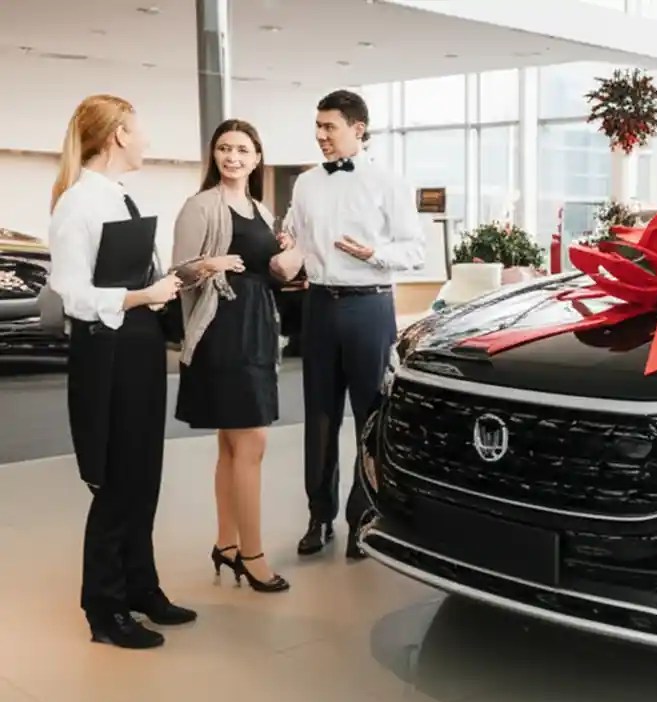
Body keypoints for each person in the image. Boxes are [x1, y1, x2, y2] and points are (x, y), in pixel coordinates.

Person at [47, 94, 197, 649]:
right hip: (106, 352)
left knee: (144, 475)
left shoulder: (124, 197)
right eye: (141, 128)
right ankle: (104, 608)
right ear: (117, 135)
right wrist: (142, 295)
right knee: (116, 483)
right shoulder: (78, 203)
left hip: (138, 346)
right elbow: (73, 294)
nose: (148, 138)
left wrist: (162, 291)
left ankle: (141, 586)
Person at [282, 89, 426, 559]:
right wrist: (285, 244)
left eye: (330, 127)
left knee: (371, 417)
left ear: (358, 129)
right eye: (318, 126)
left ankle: (365, 514)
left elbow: (414, 250)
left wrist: (374, 254)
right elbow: (295, 238)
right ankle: (318, 516)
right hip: (320, 306)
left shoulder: (389, 183)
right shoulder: (305, 184)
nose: (321, 135)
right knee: (319, 416)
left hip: (370, 307)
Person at [172, 118, 291, 593]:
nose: (232, 157)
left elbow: (271, 272)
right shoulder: (200, 206)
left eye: (242, 149)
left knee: (231, 444)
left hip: (257, 327)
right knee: (251, 443)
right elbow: (177, 273)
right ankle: (252, 554)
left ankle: (226, 544)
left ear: (258, 157)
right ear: (214, 155)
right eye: (224, 148)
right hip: (223, 332)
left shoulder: (262, 211)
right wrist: (209, 263)